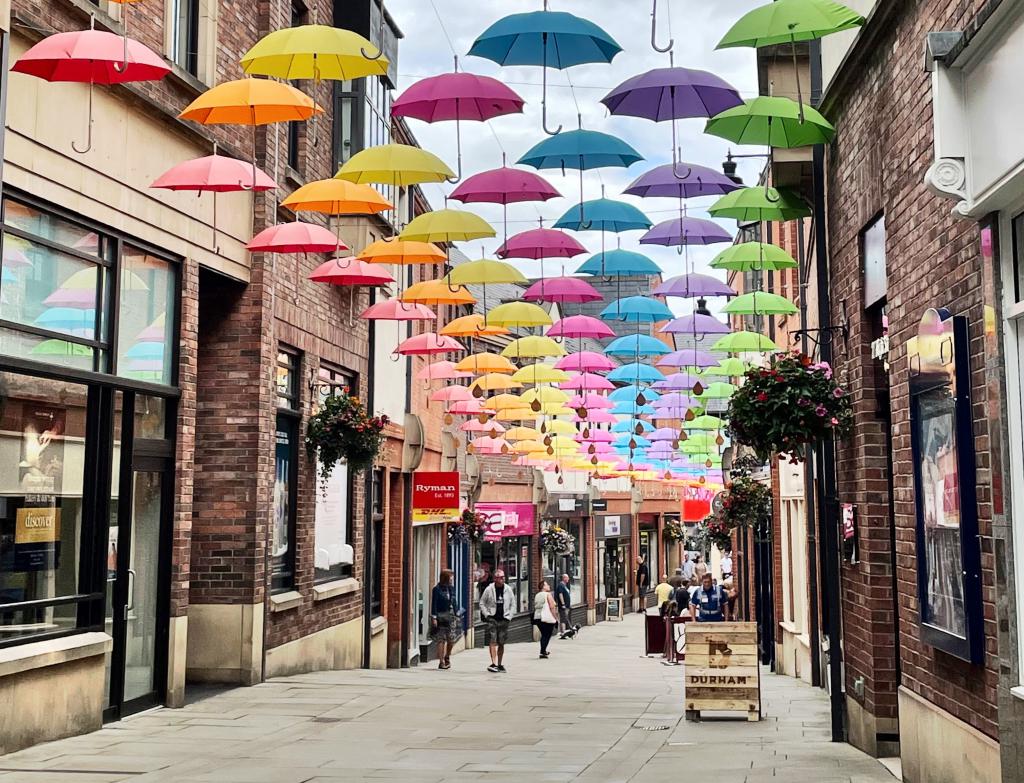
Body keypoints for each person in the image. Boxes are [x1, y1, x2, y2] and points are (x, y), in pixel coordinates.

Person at [479, 569, 515, 672]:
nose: (503, 579)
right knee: (493, 640)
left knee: (501, 642)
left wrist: (510, 616)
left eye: (503, 577)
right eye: (500, 577)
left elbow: (513, 603)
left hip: (504, 619)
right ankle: (493, 663)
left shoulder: (508, 589)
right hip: (492, 619)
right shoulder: (489, 589)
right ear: (495, 578)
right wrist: (487, 614)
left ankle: (499, 664)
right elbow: (482, 602)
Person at [430, 569, 461, 670]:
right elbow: (433, 604)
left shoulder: (451, 588)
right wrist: (434, 617)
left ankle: (447, 656)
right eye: (451, 577)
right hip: (440, 616)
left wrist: (458, 613)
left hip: (451, 617)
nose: (452, 579)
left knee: (451, 639)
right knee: (441, 640)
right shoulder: (436, 589)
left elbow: (455, 602)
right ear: (446, 578)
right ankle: (441, 661)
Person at [533, 579, 559, 659]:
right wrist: (555, 618)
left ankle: (543, 651)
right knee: (547, 635)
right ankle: (542, 651)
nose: (549, 586)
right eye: (547, 585)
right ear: (543, 587)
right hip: (546, 617)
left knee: (544, 634)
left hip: (537, 617)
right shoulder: (548, 594)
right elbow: (552, 607)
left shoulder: (537, 595)